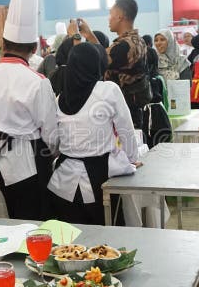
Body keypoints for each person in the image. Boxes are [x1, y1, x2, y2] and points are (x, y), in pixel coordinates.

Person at [0, 0, 58, 220]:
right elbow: (51, 134)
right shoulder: (37, 81)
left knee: (12, 221)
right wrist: (52, 155)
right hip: (28, 162)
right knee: (36, 224)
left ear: (2, 45)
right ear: (34, 49)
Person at [47, 43, 139, 225]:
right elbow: (126, 130)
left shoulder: (60, 99)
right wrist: (132, 158)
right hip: (100, 179)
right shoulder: (108, 90)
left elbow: (53, 141)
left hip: (63, 181)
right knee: (107, 241)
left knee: (71, 244)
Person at [99, 0, 149, 128]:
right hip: (131, 109)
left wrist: (75, 38)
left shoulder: (124, 46)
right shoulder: (137, 40)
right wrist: (89, 36)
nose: (109, 18)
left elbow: (97, 59)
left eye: (111, 14)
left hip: (124, 114)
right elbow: (104, 55)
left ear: (120, 16)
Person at [141, 48, 173, 147]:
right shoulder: (159, 78)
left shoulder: (140, 79)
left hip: (145, 115)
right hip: (160, 115)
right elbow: (165, 101)